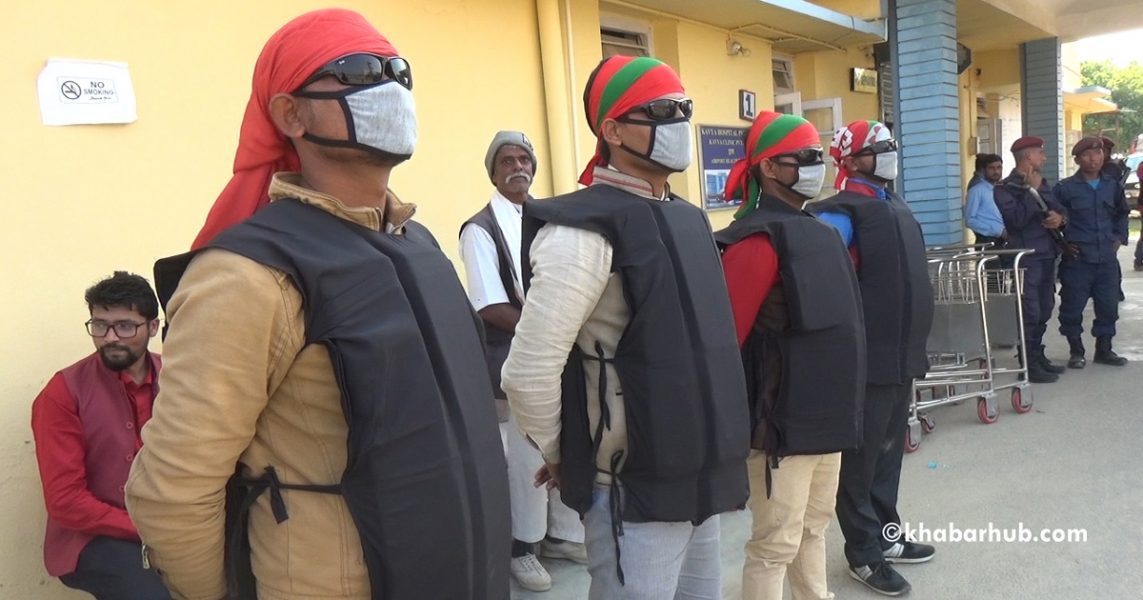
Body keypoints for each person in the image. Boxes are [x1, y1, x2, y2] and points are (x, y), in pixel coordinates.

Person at [123, 9, 509, 599]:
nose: (390, 88)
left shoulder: (416, 243)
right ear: (290, 114)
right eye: (357, 71)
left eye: (398, 71)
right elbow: (175, 487)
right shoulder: (247, 276)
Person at [501, 55, 750, 599]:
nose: (679, 122)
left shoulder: (688, 217)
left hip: (699, 476)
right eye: (661, 111)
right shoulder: (581, 233)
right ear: (611, 130)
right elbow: (527, 371)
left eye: (684, 108)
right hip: (631, 490)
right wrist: (563, 454)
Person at [715, 112, 865, 600]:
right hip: (780, 426)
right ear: (768, 169)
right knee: (775, 543)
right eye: (801, 158)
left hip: (828, 419)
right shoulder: (755, 240)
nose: (814, 166)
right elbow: (726, 341)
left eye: (817, 156)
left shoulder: (818, 230)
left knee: (815, 528)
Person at [806, 119, 935, 597]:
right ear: (851, 159)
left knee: (887, 454)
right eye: (878, 147)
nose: (889, 152)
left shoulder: (891, 204)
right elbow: (822, 283)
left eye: (891, 144)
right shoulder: (839, 213)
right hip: (864, 361)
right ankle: (862, 553)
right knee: (858, 463)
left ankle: (887, 537)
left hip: (902, 355)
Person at [459, 130, 587, 592]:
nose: (518, 166)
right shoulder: (480, 229)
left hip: (555, 353)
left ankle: (564, 535)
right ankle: (521, 548)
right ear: (493, 172)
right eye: (507, 160)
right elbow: (489, 305)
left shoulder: (546, 216)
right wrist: (550, 329)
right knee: (523, 456)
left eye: (524, 158)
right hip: (512, 358)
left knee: (562, 440)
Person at [30, 271, 170, 600]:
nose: (109, 338)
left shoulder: (179, 378)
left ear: (152, 327)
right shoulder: (62, 392)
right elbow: (66, 501)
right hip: (90, 538)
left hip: (171, 525)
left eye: (124, 326)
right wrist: (149, 532)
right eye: (99, 325)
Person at [994, 136, 1069, 383]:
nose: (1044, 158)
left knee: (1045, 308)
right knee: (1029, 311)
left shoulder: (1041, 182)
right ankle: (1028, 363)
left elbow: (1059, 208)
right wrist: (1031, 192)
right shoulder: (1004, 189)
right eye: (1040, 153)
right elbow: (1014, 220)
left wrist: (1060, 218)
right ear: (1028, 157)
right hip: (1025, 259)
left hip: (1047, 255)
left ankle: (1037, 355)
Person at [1053, 136, 1129, 368]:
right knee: (1072, 307)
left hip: (1106, 259)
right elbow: (1052, 222)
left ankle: (1104, 350)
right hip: (1078, 260)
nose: (1093, 159)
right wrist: (1063, 246)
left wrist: (1118, 238)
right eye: (1087, 155)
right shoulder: (1064, 188)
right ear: (1077, 159)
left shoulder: (1112, 185)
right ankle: (1076, 351)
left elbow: (1122, 213)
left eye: (1097, 154)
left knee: (1108, 306)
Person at [964, 153, 1007, 246]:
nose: (996, 171)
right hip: (987, 241)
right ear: (984, 170)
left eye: (999, 167)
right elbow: (970, 220)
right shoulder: (976, 191)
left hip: (1006, 240)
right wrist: (998, 231)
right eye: (991, 168)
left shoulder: (1002, 189)